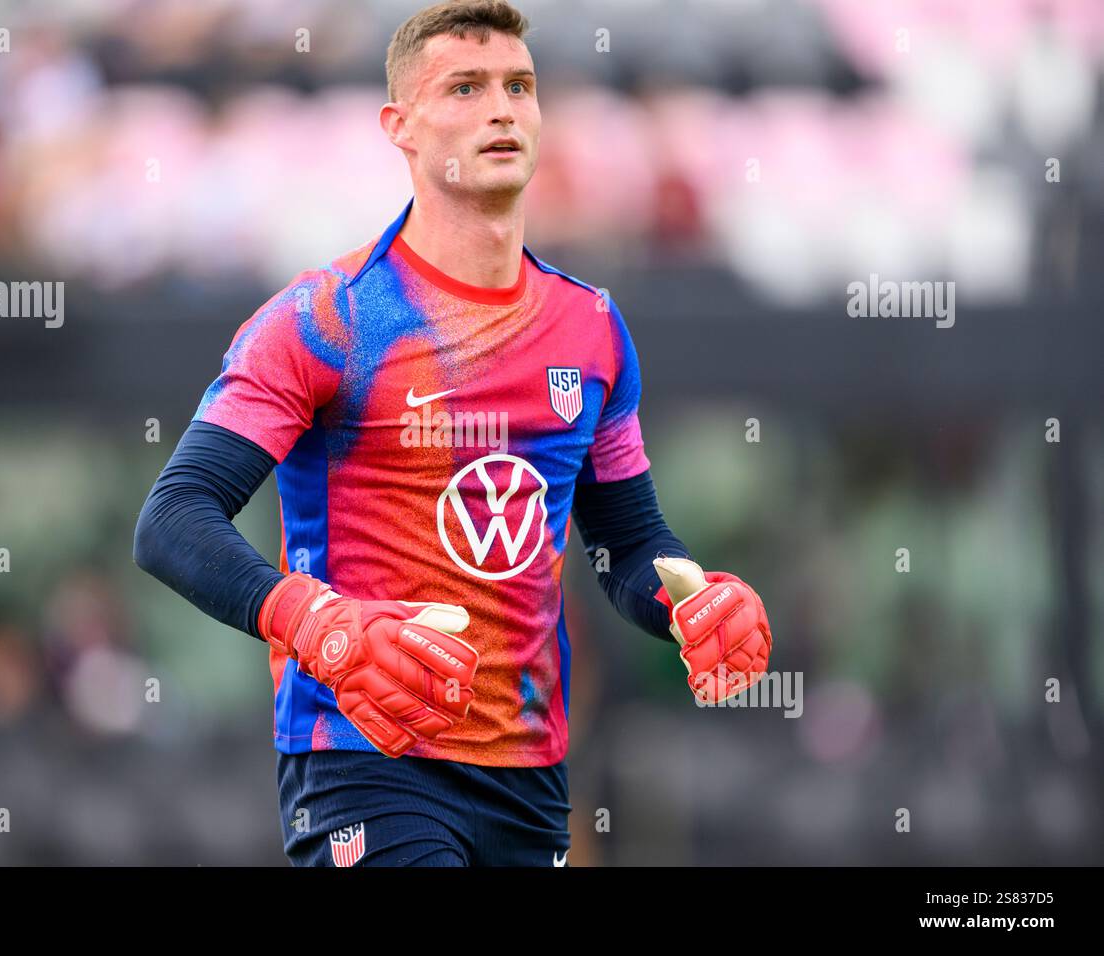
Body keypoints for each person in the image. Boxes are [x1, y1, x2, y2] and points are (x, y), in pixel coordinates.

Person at [134, 0, 772, 867]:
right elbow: (174, 518)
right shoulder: (327, 320)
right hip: (365, 759)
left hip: (531, 777)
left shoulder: (592, 329)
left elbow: (626, 548)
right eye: (465, 88)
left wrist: (691, 606)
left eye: (519, 85)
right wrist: (325, 627)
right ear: (399, 126)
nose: (501, 108)